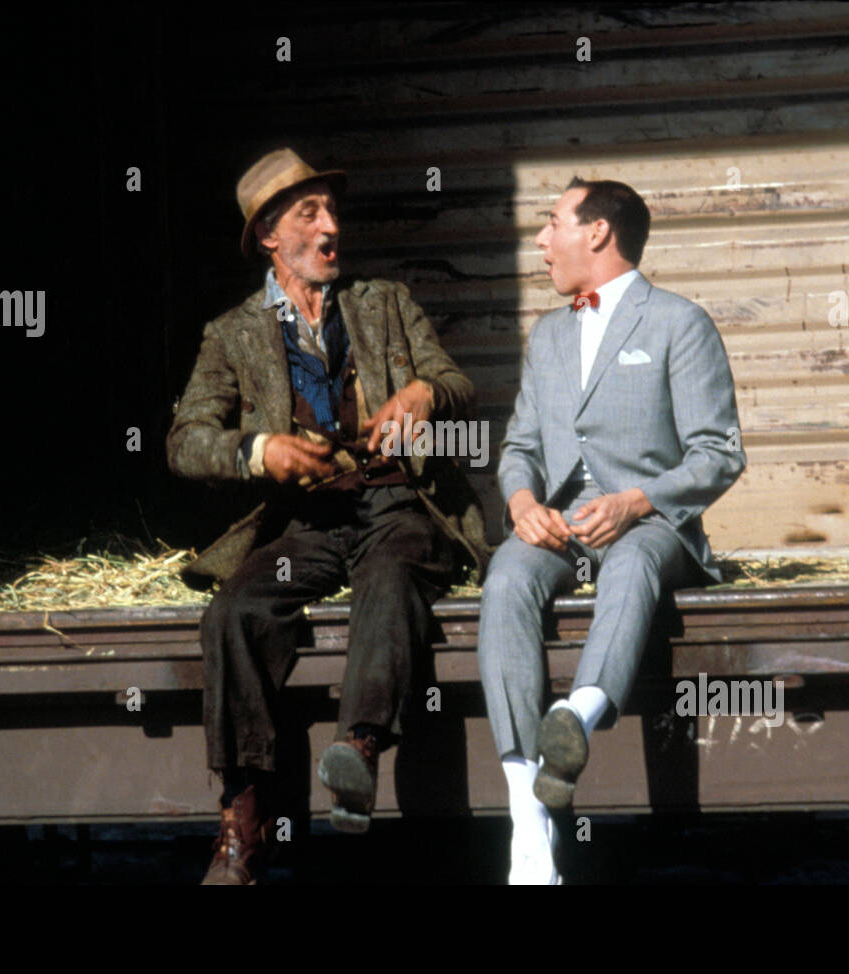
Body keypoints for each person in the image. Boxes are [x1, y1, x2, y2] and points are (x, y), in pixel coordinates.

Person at [167, 148, 488, 885]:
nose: (330, 225)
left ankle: (359, 750)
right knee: (234, 614)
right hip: (306, 522)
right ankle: (243, 823)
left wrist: (423, 398)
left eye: (332, 211)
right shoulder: (233, 333)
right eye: (309, 213)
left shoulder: (385, 302)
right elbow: (185, 442)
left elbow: (457, 383)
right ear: (270, 237)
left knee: (392, 571)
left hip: (395, 500)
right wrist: (260, 451)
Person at [478, 176, 746, 884]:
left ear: (598, 232)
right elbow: (520, 445)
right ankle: (527, 826)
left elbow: (719, 453)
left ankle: (578, 715)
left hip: (651, 521)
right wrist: (522, 502)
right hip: (561, 519)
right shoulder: (550, 333)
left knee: (632, 566)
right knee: (505, 579)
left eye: (552, 223)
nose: (539, 242)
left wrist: (637, 502)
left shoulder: (678, 323)